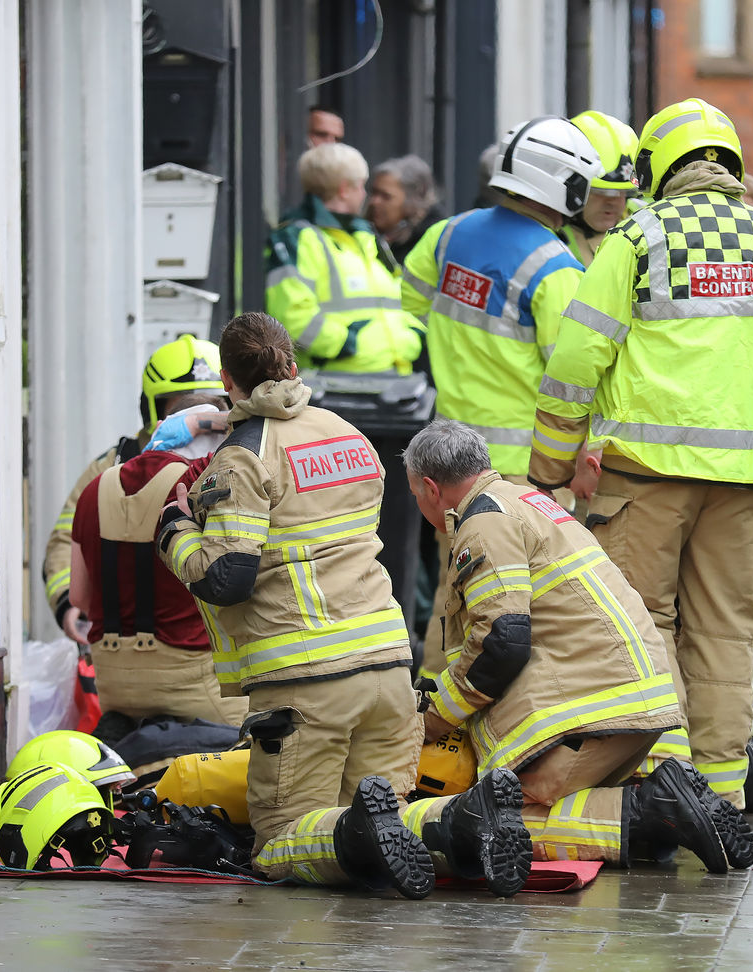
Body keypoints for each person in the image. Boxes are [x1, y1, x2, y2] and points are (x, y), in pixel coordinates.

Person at [529, 99, 753, 809]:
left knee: (643, 630)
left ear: (656, 167)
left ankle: (665, 795)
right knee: (724, 636)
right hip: (751, 486)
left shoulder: (637, 239)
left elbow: (577, 360)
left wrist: (548, 470)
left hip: (643, 482)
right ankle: (722, 797)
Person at [156, 312, 531, 897]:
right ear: (292, 365)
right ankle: (459, 823)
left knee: (280, 841)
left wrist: (175, 531)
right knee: (385, 818)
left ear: (227, 380)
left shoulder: (243, 457)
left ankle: (371, 837)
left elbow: (227, 577)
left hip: (308, 681)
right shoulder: (347, 434)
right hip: (388, 666)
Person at [400, 419, 753, 874]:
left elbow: (502, 642)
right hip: (626, 704)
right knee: (535, 805)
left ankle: (653, 812)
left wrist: (433, 718)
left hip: (588, 714)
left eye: (415, 495)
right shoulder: (528, 503)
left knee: (492, 818)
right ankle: (658, 817)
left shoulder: (484, 522)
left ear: (431, 488)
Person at [400, 116, 602, 678]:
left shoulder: (447, 235)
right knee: (517, 606)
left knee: (455, 593)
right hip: (522, 472)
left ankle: (432, 710)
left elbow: (409, 311)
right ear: (567, 188)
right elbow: (574, 381)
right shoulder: (557, 269)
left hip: (445, 460)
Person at [69, 394, 250, 727]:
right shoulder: (199, 481)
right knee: (249, 743)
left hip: (113, 684)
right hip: (193, 683)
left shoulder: (95, 487)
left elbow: (79, 597)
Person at [43, 336, 228, 647]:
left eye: (212, 406)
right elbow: (66, 538)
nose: (194, 419)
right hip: (134, 635)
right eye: (182, 408)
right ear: (151, 409)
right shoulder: (114, 465)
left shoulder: (238, 460)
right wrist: (67, 601)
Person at [265, 143, 425, 376]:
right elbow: (293, 317)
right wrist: (350, 345)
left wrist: (411, 337)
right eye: (361, 185)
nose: (365, 195)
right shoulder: (298, 239)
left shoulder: (365, 237)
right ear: (344, 189)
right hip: (336, 384)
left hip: (393, 379)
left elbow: (401, 297)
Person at [563, 110, 639, 267]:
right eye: (603, 192)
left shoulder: (644, 221)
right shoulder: (548, 235)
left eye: (623, 193)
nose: (614, 202)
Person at [366, 155, 447, 267]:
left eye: (386, 196)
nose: (374, 202)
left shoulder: (435, 241)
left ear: (413, 199)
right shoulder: (363, 231)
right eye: (373, 193)